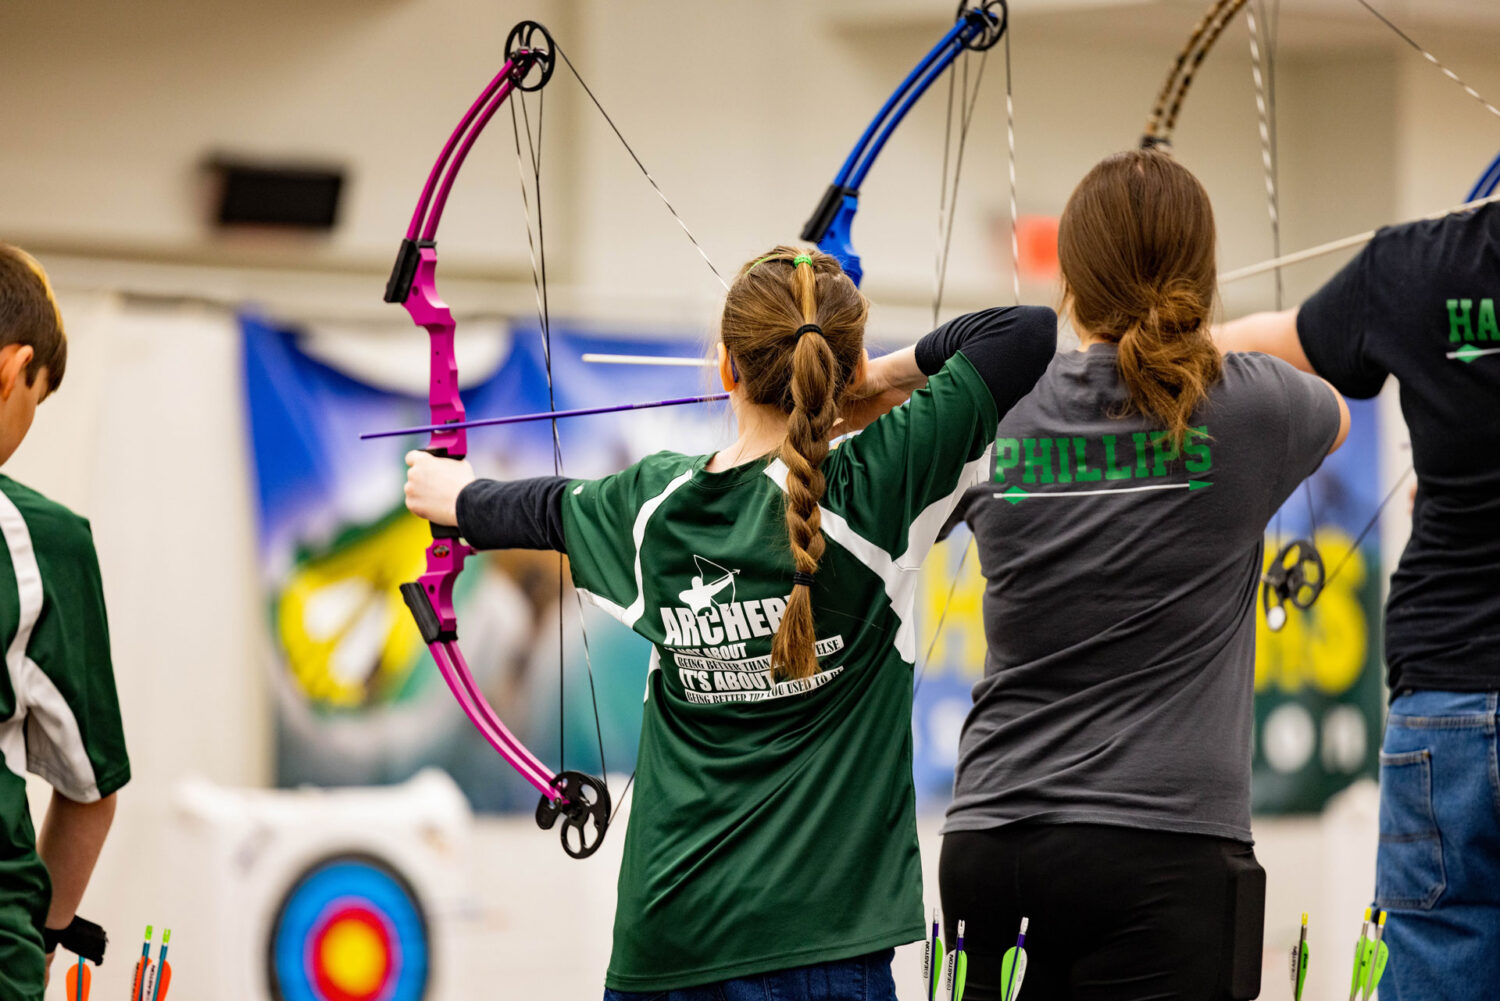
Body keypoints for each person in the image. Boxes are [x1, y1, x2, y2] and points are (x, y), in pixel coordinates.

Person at [404, 246, 1056, 1000]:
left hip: (665, 947)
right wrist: (878, 378)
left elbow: (541, 507)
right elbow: (1026, 332)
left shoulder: (656, 506)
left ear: (726, 368)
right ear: (837, 374)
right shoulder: (873, 484)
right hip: (821, 946)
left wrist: (455, 493)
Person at [928, 151, 1349, 1000]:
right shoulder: (1250, 406)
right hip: (1164, 855)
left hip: (993, 844)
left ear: (1072, 281)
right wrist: (1192, 344)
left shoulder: (993, 411)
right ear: (1200, 277)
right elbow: (1338, 412)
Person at [1216, 201, 1500, 1001]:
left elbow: (1262, 344)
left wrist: (1113, 352)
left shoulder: (1421, 262)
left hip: (1444, 701)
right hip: (1439, 695)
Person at [0, 244, 129, 1001]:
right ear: (12, 370)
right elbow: (89, 790)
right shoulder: (38, 539)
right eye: (34, 403)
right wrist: (47, 936)